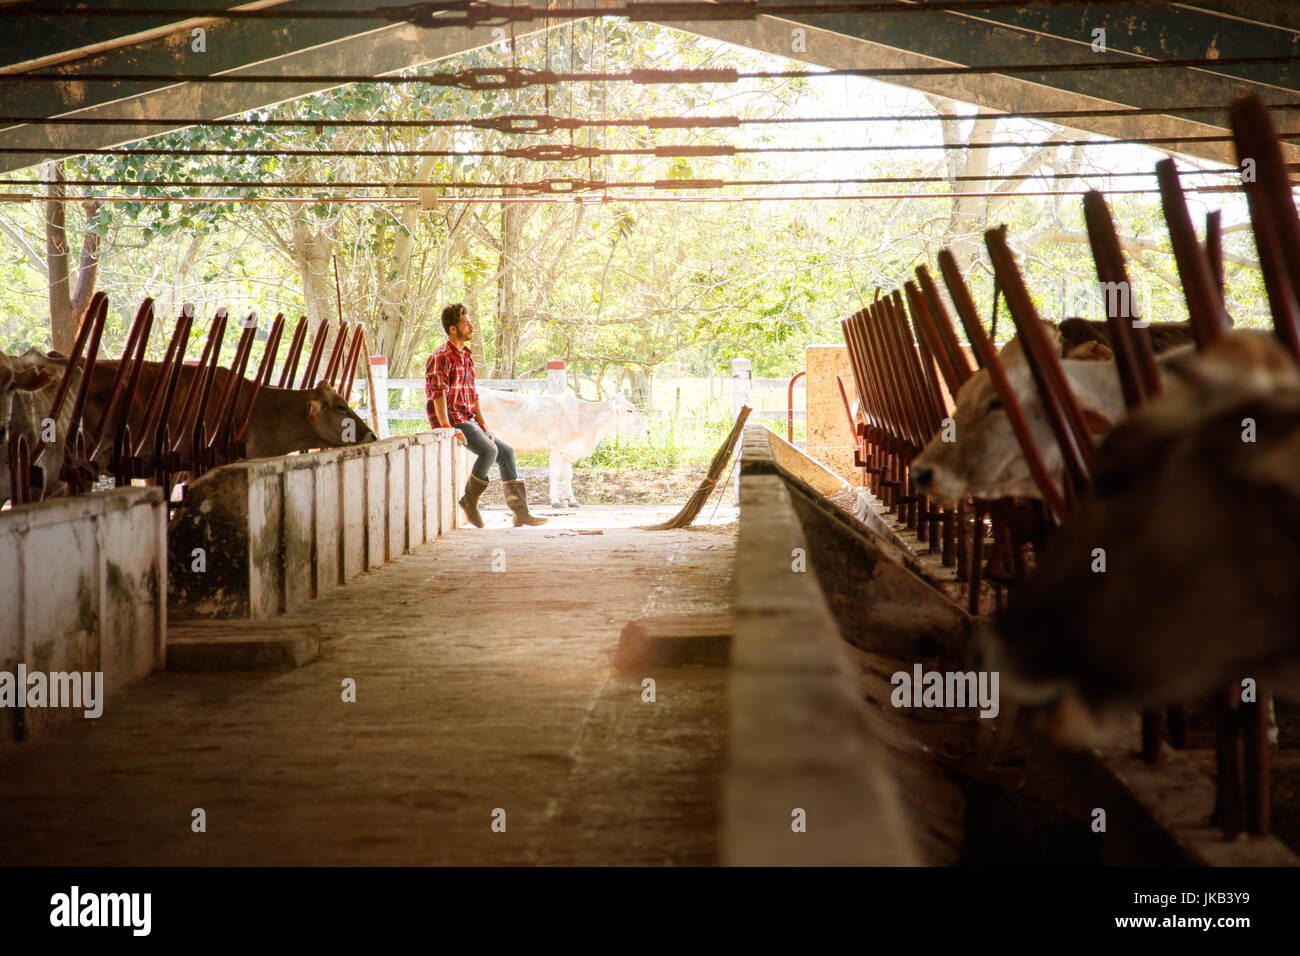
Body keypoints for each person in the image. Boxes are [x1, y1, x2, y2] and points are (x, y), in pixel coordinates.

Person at [425, 303, 547, 528]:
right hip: (454, 420)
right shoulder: (441, 356)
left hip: (469, 419)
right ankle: (470, 501)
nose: (471, 326)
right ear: (453, 329)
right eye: (465, 323)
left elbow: (473, 395)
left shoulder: (467, 356)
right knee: (489, 450)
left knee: (507, 452)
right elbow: (437, 394)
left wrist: (484, 425)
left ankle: (520, 513)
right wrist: (447, 426)